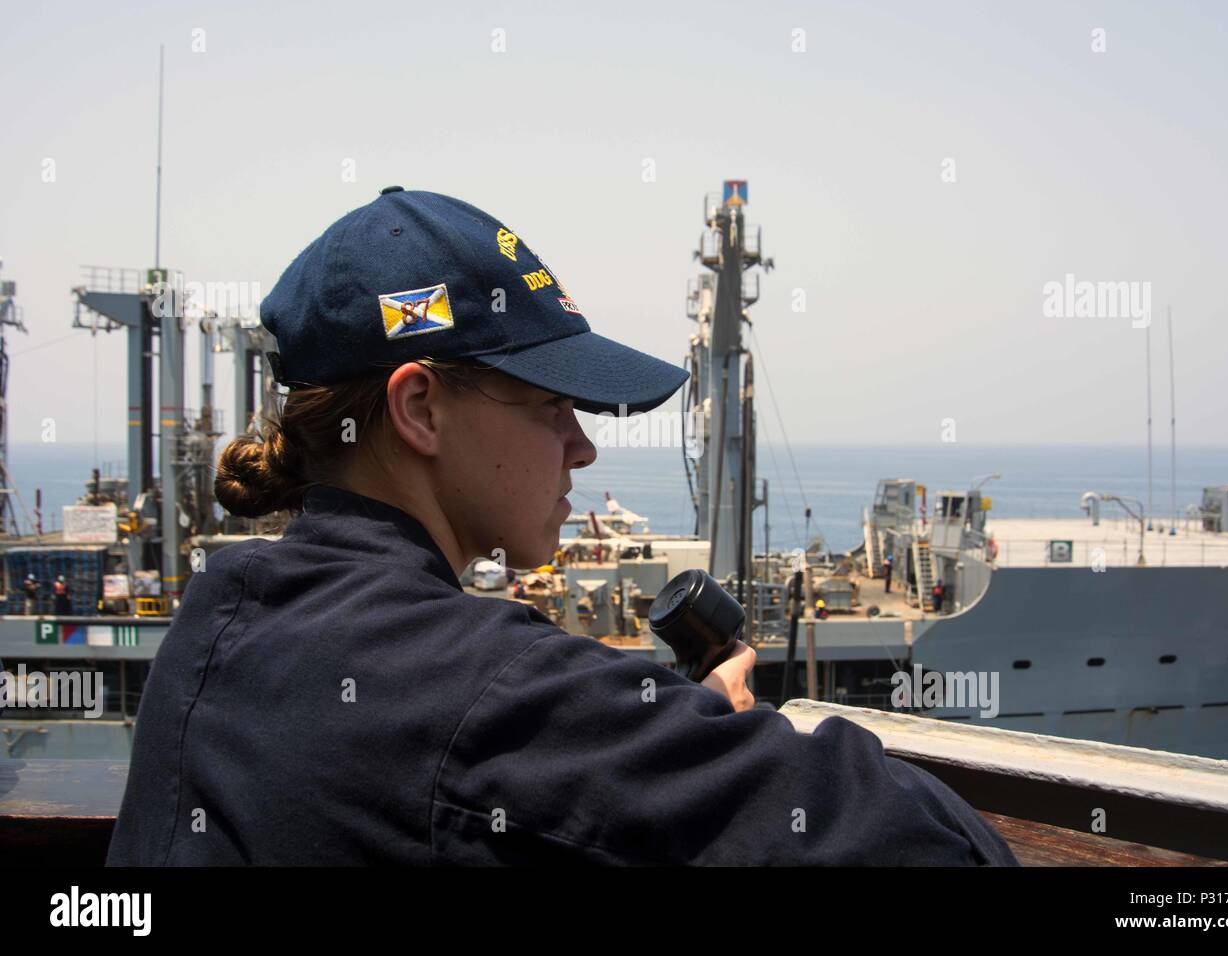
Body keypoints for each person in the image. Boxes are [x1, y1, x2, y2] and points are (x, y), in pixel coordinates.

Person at [107, 187, 1017, 866]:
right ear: (420, 408)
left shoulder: (220, 614)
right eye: (551, 403)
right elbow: (923, 847)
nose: (580, 447)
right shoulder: (490, 689)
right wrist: (719, 743)